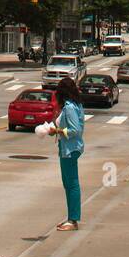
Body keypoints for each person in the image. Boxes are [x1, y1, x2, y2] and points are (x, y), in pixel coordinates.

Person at [49, 76, 85, 231]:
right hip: (69, 147)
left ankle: (73, 219)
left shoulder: (69, 107)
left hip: (69, 149)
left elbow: (75, 129)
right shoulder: (74, 105)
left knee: (71, 183)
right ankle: (71, 217)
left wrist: (57, 130)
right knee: (69, 183)